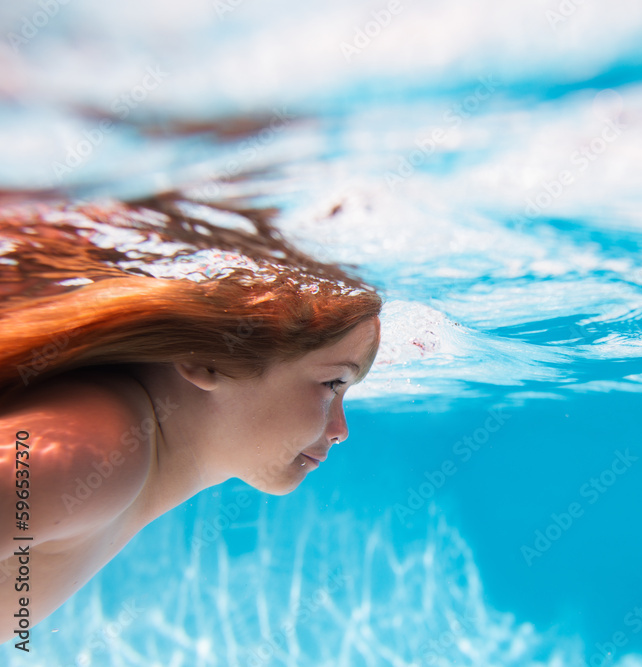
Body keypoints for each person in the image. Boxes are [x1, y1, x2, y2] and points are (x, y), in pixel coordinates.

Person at [0, 197, 381, 645]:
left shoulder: (116, 454)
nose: (341, 430)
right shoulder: (99, 451)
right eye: (333, 384)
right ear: (208, 360)